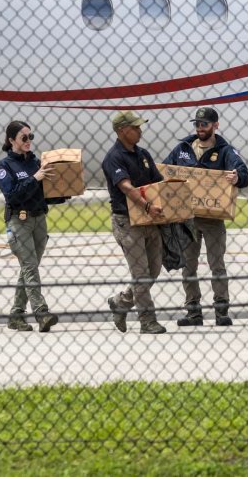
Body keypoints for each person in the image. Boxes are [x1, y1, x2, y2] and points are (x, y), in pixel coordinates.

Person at [162, 107, 248, 327]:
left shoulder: (225, 151)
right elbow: (163, 170)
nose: (200, 128)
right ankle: (193, 313)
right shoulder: (182, 149)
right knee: (188, 266)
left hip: (212, 218)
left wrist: (236, 176)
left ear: (215, 125)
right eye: (198, 124)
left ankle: (221, 311)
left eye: (205, 124)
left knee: (216, 265)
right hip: (187, 217)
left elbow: (244, 173)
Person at [102, 111, 168, 335]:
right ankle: (147, 320)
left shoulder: (143, 154)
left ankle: (120, 303)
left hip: (149, 219)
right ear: (122, 131)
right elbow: (126, 187)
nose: (140, 130)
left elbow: (158, 182)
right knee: (140, 274)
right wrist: (148, 206)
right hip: (127, 221)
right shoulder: (114, 158)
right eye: (135, 127)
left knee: (154, 269)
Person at [0, 121, 63, 332]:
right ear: (11, 140)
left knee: (28, 268)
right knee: (30, 267)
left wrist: (65, 191)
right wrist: (35, 178)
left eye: (30, 137)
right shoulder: (5, 167)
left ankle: (16, 314)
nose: (28, 141)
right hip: (19, 221)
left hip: (39, 219)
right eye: (24, 138)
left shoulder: (36, 162)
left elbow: (45, 194)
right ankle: (41, 312)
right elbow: (12, 195)